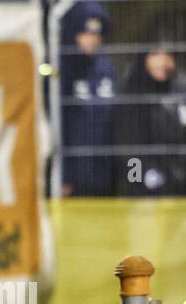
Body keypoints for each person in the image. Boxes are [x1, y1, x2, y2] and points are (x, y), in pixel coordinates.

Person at [115, 24, 186, 197]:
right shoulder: (133, 90)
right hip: (145, 189)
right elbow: (128, 149)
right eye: (155, 54)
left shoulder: (180, 88)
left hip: (179, 185)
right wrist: (138, 182)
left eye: (168, 55)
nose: (162, 61)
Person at [59, 2, 117, 197]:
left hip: (105, 174)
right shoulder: (62, 70)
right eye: (86, 33)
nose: (92, 40)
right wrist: (64, 176)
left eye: (96, 34)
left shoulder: (106, 69)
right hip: (73, 177)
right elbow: (58, 126)